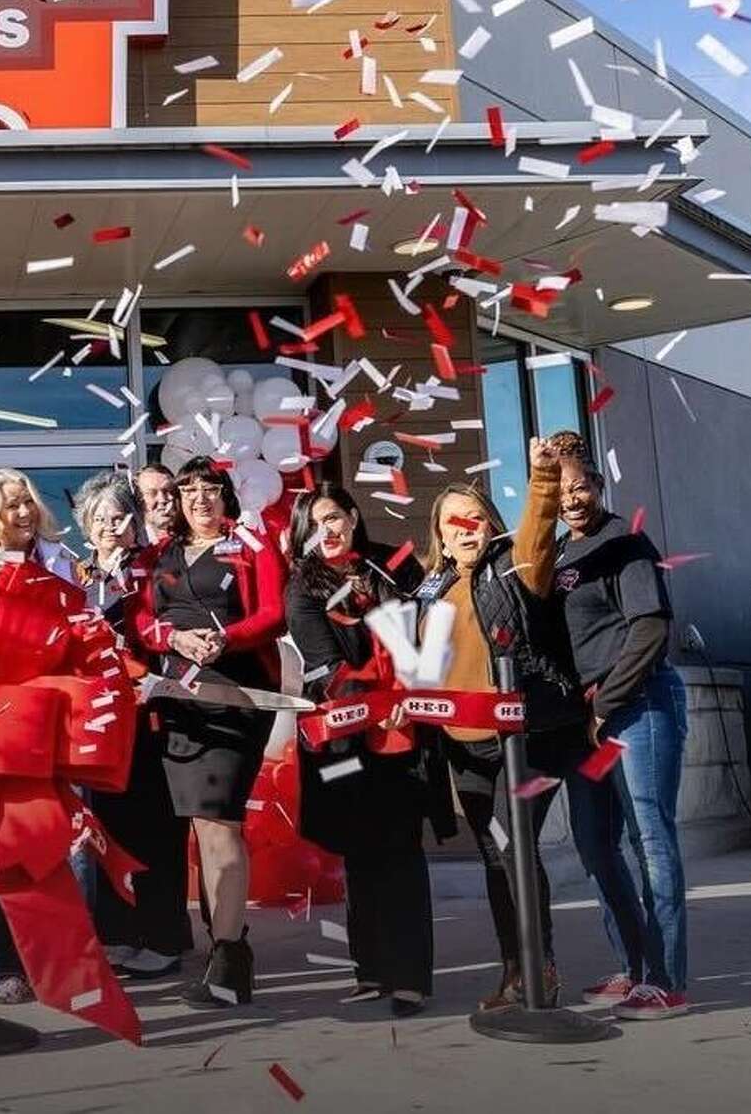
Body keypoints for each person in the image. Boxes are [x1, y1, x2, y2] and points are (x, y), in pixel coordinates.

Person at [415, 440, 587, 1012]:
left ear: (488, 523)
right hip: (465, 746)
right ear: (438, 534)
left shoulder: (514, 565)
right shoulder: (431, 590)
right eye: (451, 523)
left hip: (528, 736)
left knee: (515, 848)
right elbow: (422, 666)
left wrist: (542, 476)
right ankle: (514, 967)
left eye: (473, 519)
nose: (464, 530)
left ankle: (540, 967)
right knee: (494, 854)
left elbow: (538, 528)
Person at [285, 484, 450, 1017]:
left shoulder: (391, 566)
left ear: (353, 517)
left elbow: (429, 639)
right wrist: (380, 701)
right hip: (345, 741)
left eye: (333, 517)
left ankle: (409, 977)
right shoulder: (303, 588)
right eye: (313, 525)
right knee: (360, 852)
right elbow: (326, 668)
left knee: (401, 852)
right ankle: (371, 969)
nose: (326, 530)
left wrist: (413, 694)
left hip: (404, 733)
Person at [131, 458, 285, 1008]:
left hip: (235, 696)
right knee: (200, 827)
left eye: (210, 489)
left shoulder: (251, 544)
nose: (199, 498)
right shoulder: (158, 555)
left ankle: (229, 960)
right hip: (178, 703)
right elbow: (141, 620)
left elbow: (274, 613)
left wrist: (226, 638)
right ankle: (224, 942)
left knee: (220, 825)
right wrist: (171, 639)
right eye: (189, 490)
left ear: (227, 496)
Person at [549, 432, 691, 1021]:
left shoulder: (625, 543)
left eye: (581, 484)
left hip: (637, 707)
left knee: (650, 842)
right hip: (587, 722)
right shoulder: (556, 554)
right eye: (561, 489)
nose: (573, 497)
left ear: (599, 485)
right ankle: (633, 965)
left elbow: (651, 627)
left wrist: (607, 702)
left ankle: (665, 979)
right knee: (593, 843)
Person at [0, 467, 82, 1003]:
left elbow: (82, 629)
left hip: (50, 718)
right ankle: (6, 962)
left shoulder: (60, 558)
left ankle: (54, 957)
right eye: (10, 505)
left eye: (26, 501)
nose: (23, 513)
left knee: (48, 845)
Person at [73, 471, 190, 979]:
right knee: (109, 829)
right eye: (99, 519)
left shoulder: (154, 567)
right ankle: (118, 932)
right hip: (99, 722)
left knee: (155, 831)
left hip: (150, 716)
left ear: (135, 521)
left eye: (118, 517)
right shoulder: (79, 575)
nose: (109, 526)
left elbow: (161, 633)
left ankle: (164, 935)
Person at [135, 463, 179, 550]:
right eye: (152, 493)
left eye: (168, 491)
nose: (162, 500)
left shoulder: (193, 538)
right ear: (139, 499)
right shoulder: (132, 542)